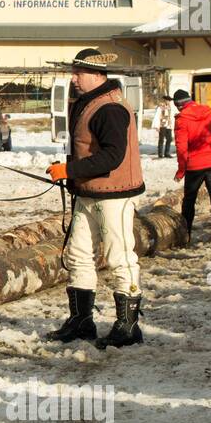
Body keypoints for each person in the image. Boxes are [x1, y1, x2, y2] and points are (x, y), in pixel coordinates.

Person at [43, 48, 145, 349]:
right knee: (77, 256)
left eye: (79, 73)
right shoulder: (90, 102)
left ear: (97, 75)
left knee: (120, 258)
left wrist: (69, 169)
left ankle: (128, 326)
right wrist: (70, 173)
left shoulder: (110, 108)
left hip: (115, 195)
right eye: (73, 73)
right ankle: (82, 321)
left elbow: (112, 157)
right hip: (88, 191)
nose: (74, 78)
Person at [171, 89, 211, 247]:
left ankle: (185, 236)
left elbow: (182, 149)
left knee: (189, 201)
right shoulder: (208, 111)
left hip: (195, 165)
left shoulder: (182, 119)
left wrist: (181, 171)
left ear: (179, 106)